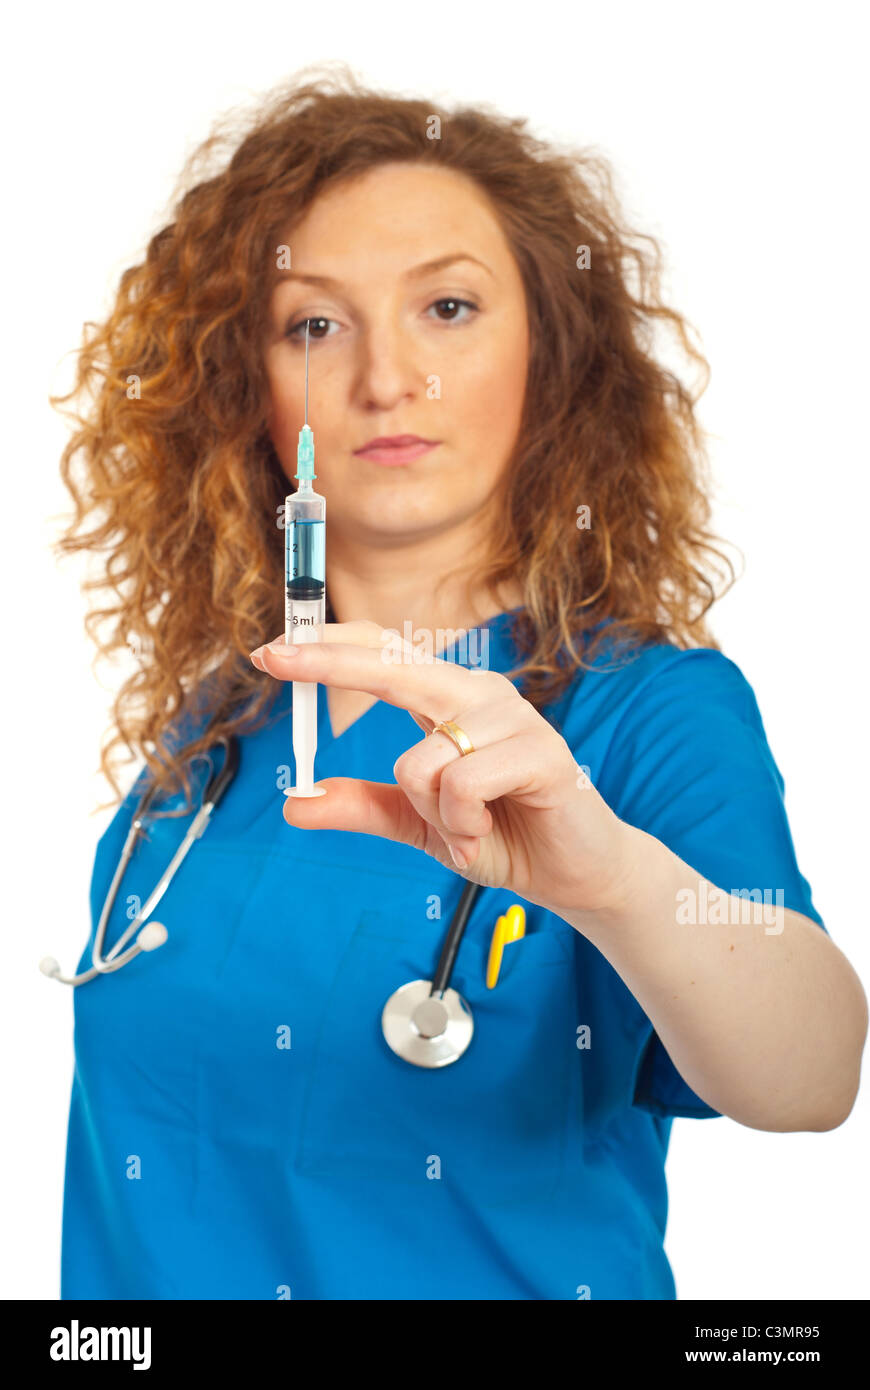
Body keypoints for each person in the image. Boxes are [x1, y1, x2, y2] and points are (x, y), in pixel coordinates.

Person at [53, 66, 867, 1301]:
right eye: (315, 323)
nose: (390, 378)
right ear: (248, 385)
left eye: (446, 306)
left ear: (554, 351)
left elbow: (811, 1075)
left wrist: (609, 880)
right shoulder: (221, 718)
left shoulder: (643, 707)